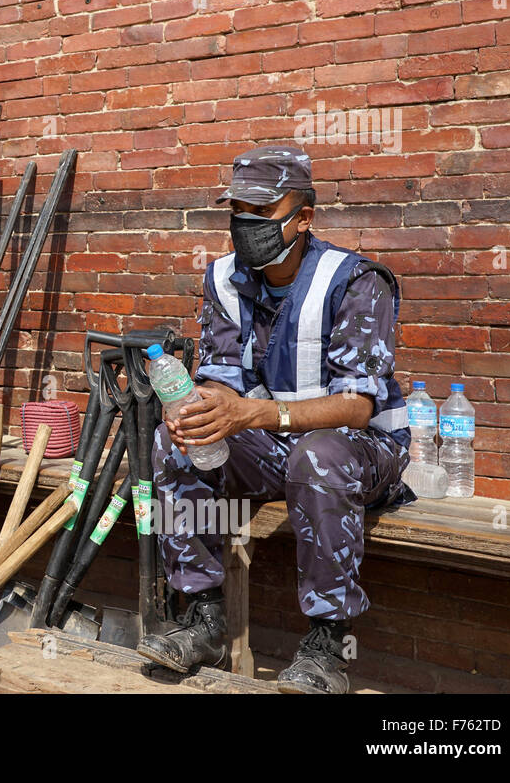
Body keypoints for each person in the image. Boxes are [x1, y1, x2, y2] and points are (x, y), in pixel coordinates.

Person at [136, 145, 414, 694]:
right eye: (236, 210)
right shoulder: (223, 279)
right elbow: (220, 381)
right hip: (269, 441)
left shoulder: (357, 282)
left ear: (303, 217)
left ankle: (327, 644)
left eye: (260, 212)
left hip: (359, 449)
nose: (245, 225)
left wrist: (254, 413)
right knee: (176, 443)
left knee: (319, 455)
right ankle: (203, 618)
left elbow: (358, 407)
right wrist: (199, 411)